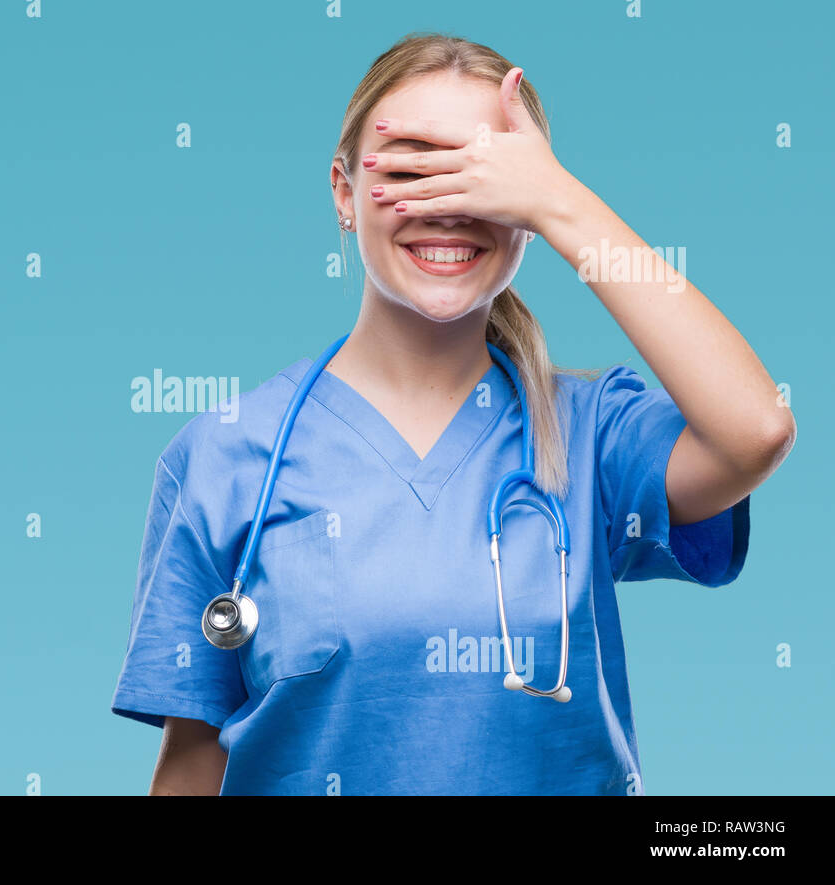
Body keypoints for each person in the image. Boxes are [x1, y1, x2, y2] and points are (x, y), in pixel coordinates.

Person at [109, 32, 795, 796]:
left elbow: (755, 429)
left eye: (486, 179)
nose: (448, 209)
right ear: (343, 192)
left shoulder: (594, 433)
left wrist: (560, 199)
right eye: (410, 170)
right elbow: (192, 767)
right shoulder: (225, 455)